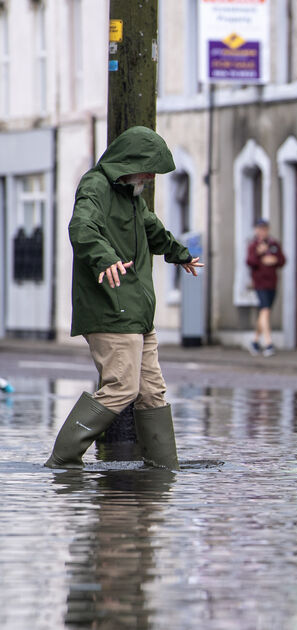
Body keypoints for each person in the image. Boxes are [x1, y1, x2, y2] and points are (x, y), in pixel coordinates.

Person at [45, 126, 204, 470]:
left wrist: (181, 254)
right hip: (109, 307)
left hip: (136, 311)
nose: (149, 177)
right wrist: (105, 259)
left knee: (151, 391)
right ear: (130, 161)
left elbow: (153, 229)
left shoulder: (131, 196)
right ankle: (63, 460)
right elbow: (81, 228)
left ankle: (163, 466)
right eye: (147, 168)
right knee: (121, 387)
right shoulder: (96, 185)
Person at [246, 217, 286, 356]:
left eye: (264, 229)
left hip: (272, 282)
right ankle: (268, 343)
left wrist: (274, 260)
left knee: (264, 311)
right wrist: (259, 253)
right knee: (265, 310)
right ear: (256, 230)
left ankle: (255, 340)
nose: (262, 232)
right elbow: (250, 262)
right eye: (260, 229)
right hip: (260, 283)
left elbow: (282, 260)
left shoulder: (273, 244)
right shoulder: (253, 245)